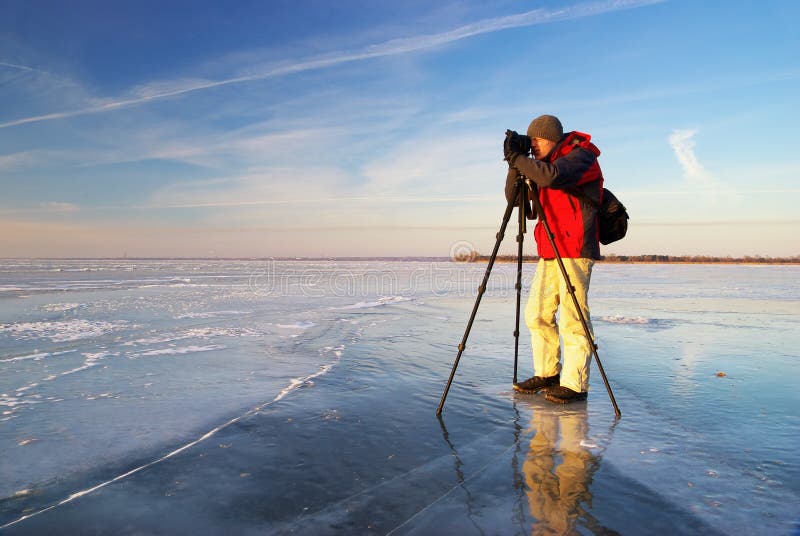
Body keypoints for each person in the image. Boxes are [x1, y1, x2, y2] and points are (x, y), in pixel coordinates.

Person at [503, 115, 603, 404]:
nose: (532, 145)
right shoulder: (539, 165)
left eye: (537, 140)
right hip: (549, 249)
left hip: (574, 249)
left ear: (553, 138)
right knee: (537, 314)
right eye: (529, 140)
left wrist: (521, 159)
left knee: (574, 318)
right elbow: (515, 201)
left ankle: (575, 383)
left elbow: (552, 177)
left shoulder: (580, 156)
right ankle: (548, 373)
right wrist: (515, 163)